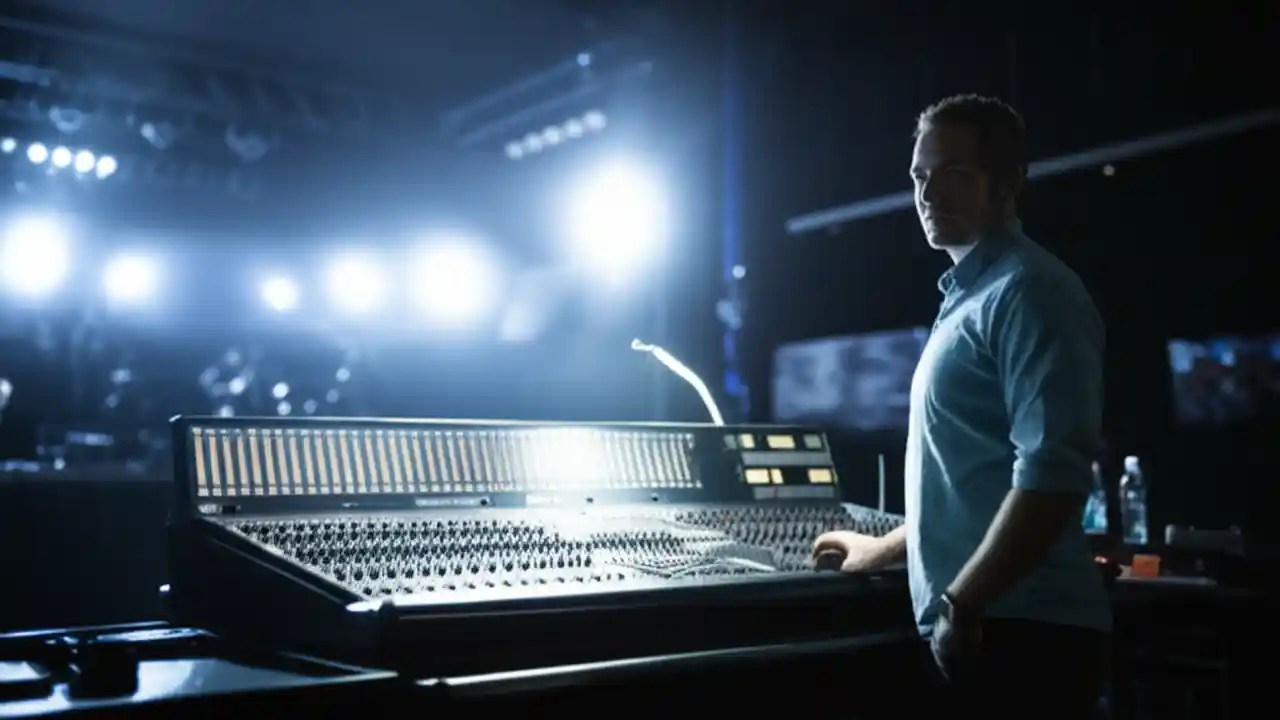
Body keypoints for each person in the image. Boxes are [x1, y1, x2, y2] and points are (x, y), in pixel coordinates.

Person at [812, 94, 1112, 716]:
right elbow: (969, 485)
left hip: (1023, 634)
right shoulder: (969, 298)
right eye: (921, 175)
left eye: (953, 174)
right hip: (992, 624)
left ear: (1006, 182)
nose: (927, 193)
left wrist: (964, 603)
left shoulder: (1030, 290)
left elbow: (1054, 474)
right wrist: (884, 548)